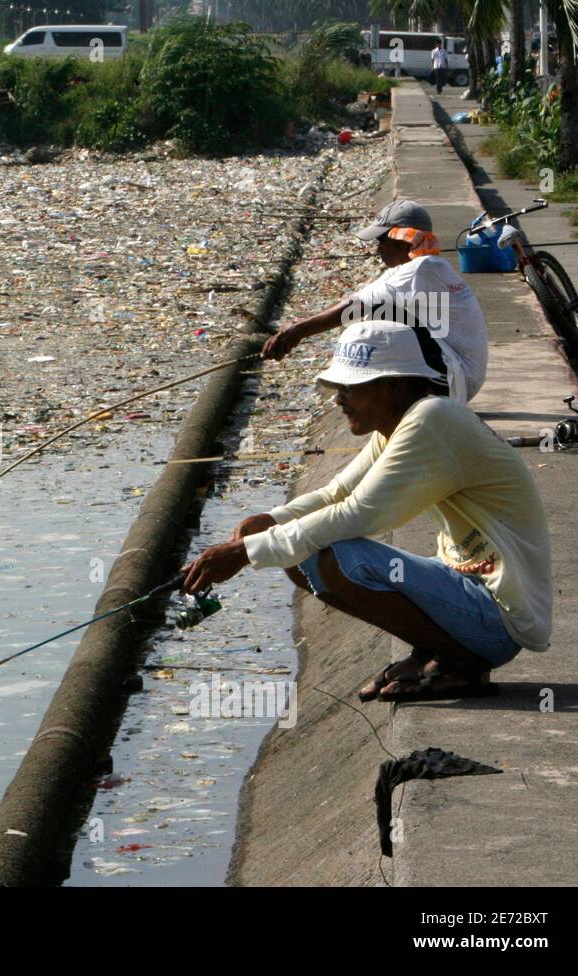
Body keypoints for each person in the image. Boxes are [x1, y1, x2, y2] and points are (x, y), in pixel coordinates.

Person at [181, 323, 552, 701]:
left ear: (393, 386)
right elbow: (337, 493)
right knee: (299, 551)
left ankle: (462, 662)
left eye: (350, 389)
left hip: (498, 618)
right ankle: (438, 651)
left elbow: (358, 513)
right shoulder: (396, 426)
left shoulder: (432, 420)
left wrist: (246, 552)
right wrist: (271, 522)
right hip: (467, 590)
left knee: (337, 557)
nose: (338, 400)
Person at [262, 199, 488, 403]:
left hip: (455, 380)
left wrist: (298, 331)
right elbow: (360, 297)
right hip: (459, 375)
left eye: (382, 241)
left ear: (403, 241)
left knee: (377, 319)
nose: (378, 249)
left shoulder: (421, 269)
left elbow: (355, 308)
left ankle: (403, 396)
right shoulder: (416, 268)